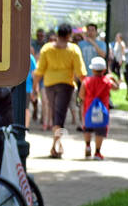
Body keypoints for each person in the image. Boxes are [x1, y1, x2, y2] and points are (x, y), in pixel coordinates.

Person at [32, 23, 87, 158]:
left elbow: (40, 70)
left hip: (50, 84)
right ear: (69, 35)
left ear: (57, 35)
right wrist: (86, 85)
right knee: (59, 115)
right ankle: (55, 146)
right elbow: (81, 71)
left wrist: (35, 86)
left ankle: (57, 145)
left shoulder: (47, 49)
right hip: (66, 85)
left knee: (55, 113)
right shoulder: (74, 49)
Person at [79, 55, 119, 159]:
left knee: (87, 128)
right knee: (100, 131)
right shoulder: (107, 81)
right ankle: (97, 152)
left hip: (88, 109)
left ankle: (87, 146)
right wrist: (113, 78)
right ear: (104, 70)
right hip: (102, 110)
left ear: (92, 69)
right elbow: (116, 88)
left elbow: (81, 95)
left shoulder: (86, 81)